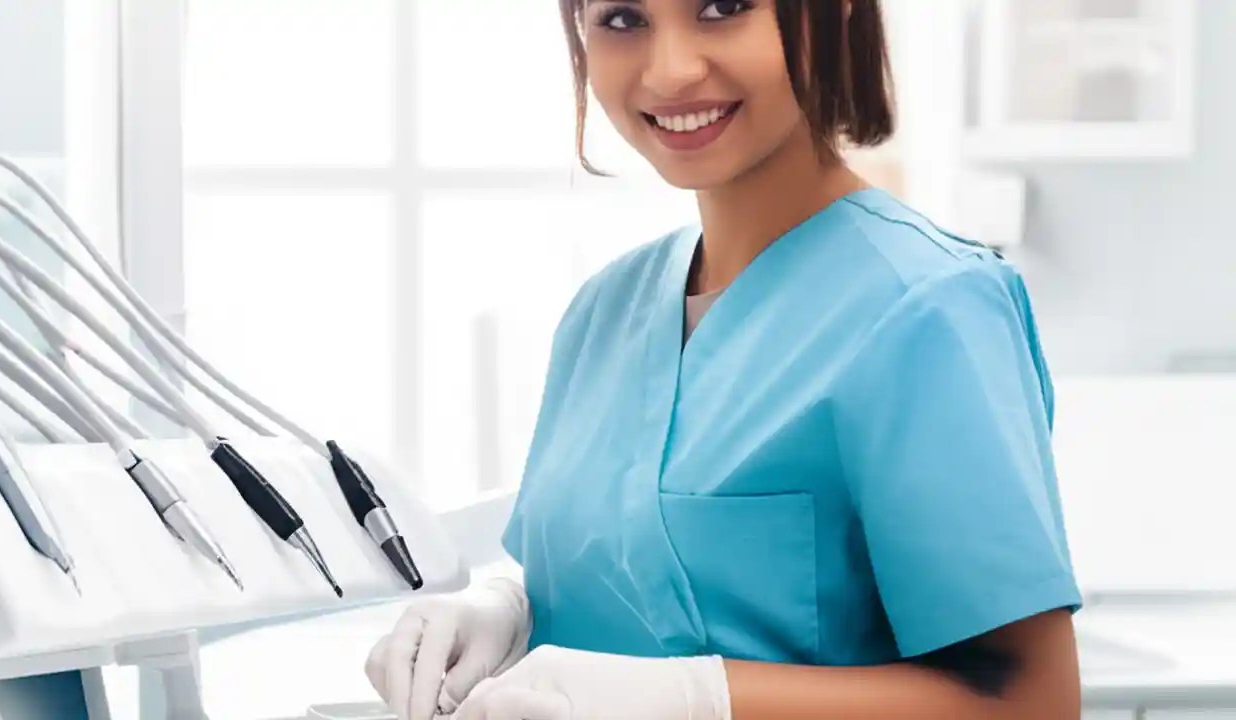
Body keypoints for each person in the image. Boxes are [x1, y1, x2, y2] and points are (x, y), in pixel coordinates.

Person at [366, 0, 1084, 718]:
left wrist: (697, 701)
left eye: (723, 7)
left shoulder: (929, 309)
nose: (671, 69)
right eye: (622, 19)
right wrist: (507, 612)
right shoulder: (603, 313)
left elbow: (1030, 704)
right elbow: (622, 570)